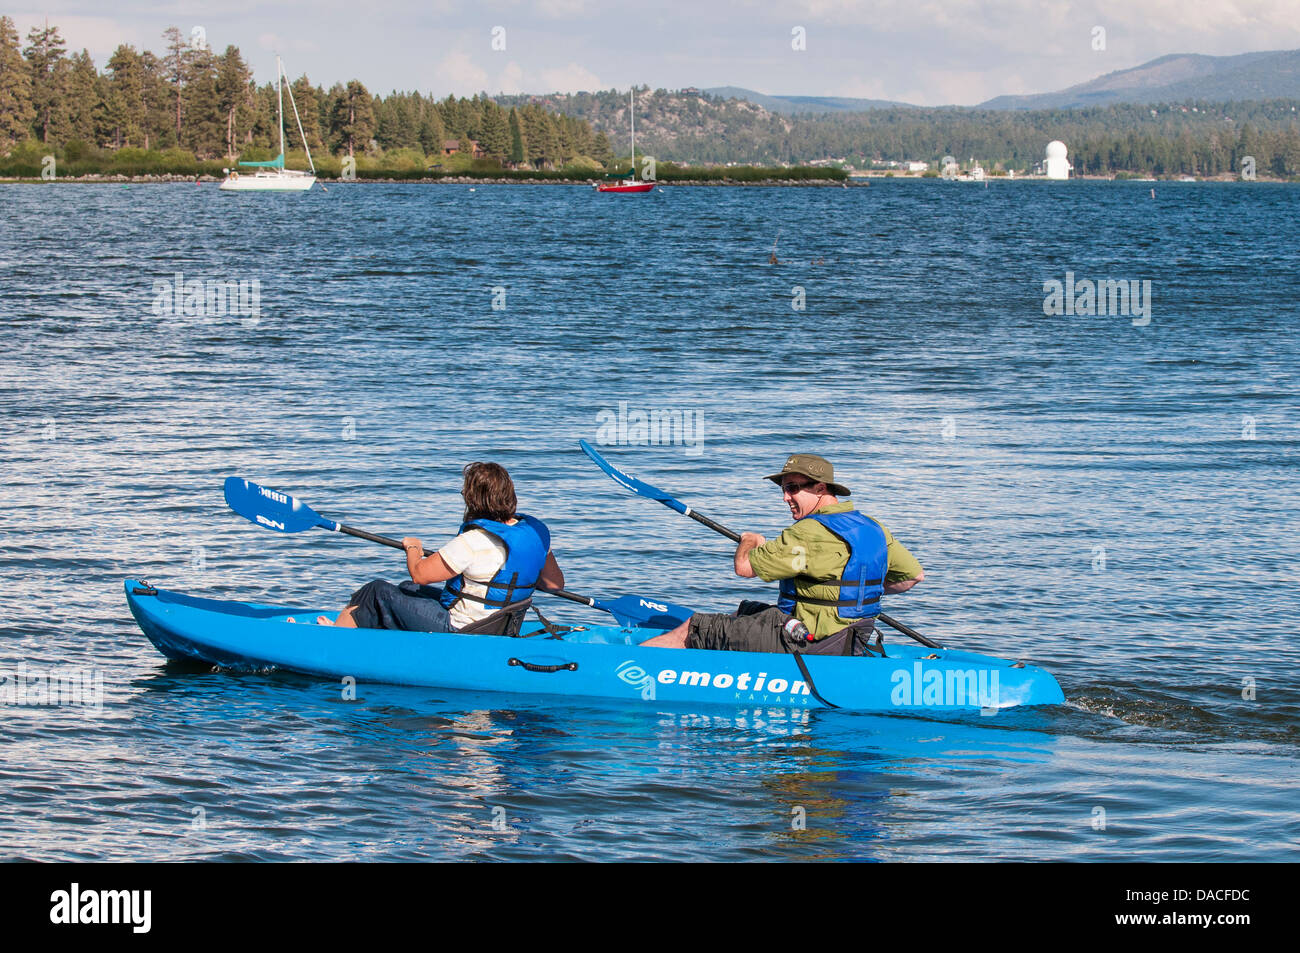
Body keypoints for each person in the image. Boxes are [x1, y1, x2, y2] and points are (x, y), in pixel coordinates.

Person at [641, 453, 923, 655]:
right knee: (744, 611)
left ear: (821, 489)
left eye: (792, 488)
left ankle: (628, 668)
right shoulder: (873, 527)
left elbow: (745, 567)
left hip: (809, 641)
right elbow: (913, 576)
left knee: (694, 627)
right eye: (783, 488)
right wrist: (855, 594)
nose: (785, 497)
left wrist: (750, 541)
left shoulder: (808, 531)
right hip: (851, 639)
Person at [318, 462, 563, 632]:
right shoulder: (536, 534)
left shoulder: (472, 541)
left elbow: (421, 574)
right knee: (407, 589)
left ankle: (335, 638)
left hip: (463, 627)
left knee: (376, 591)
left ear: (473, 500)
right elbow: (554, 584)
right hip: (501, 624)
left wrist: (413, 548)